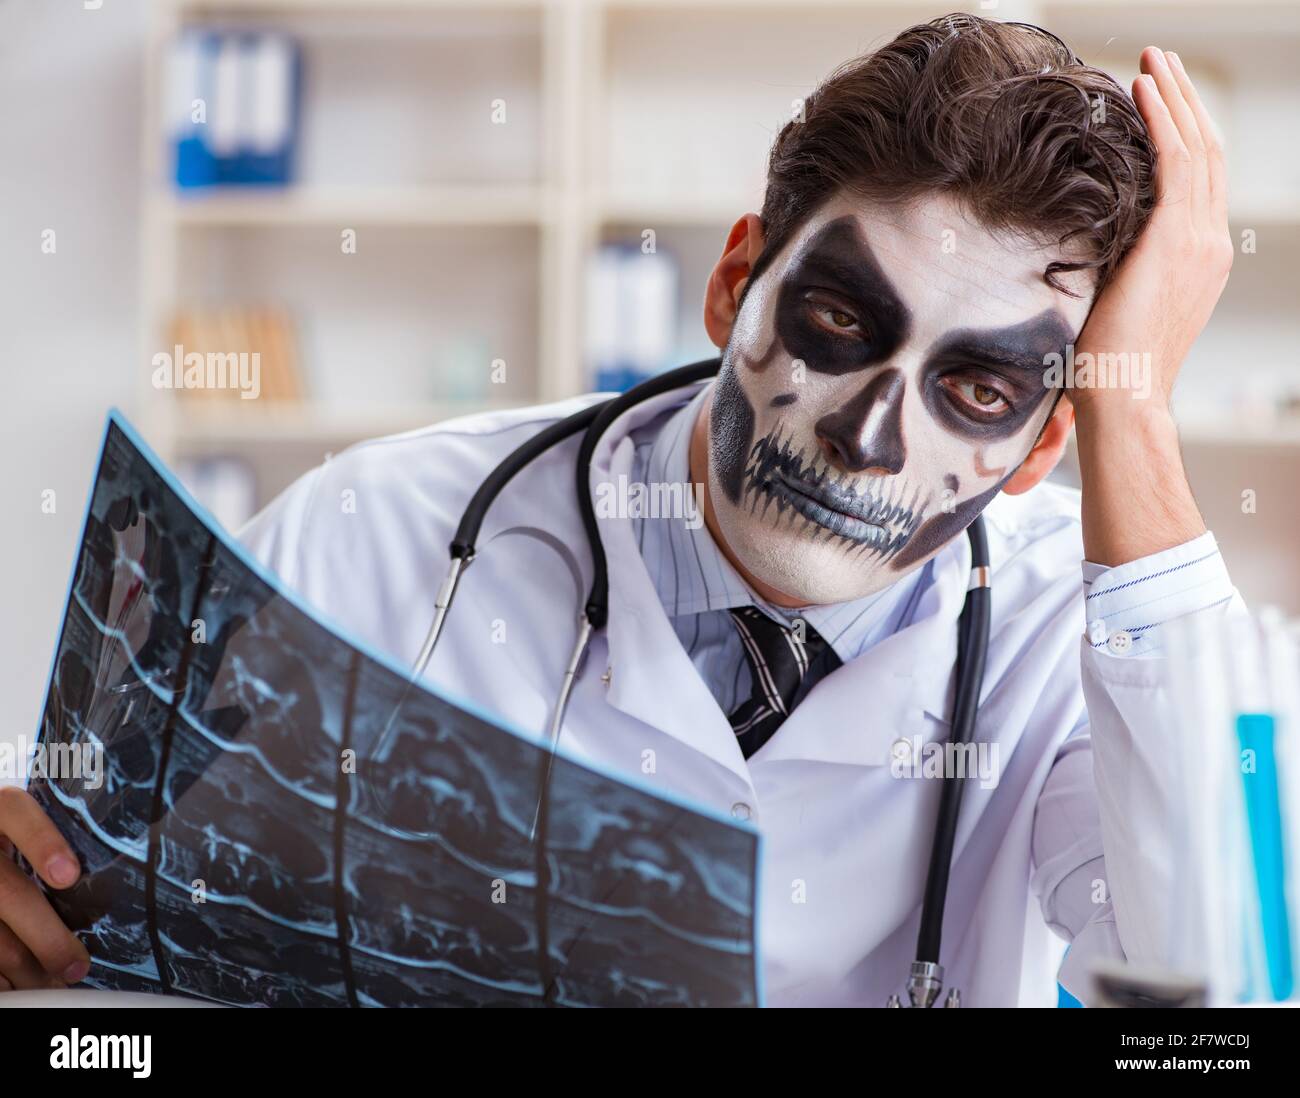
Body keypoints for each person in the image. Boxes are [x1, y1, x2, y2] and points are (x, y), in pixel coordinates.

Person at [0, 15, 1239, 1005]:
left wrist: (1133, 413)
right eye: (840, 324)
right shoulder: (374, 536)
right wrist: (27, 909)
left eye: (978, 388)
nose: (868, 440)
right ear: (733, 283)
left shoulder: (1079, 639)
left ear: (1040, 445)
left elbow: (1212, 1001)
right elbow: (115, 959)